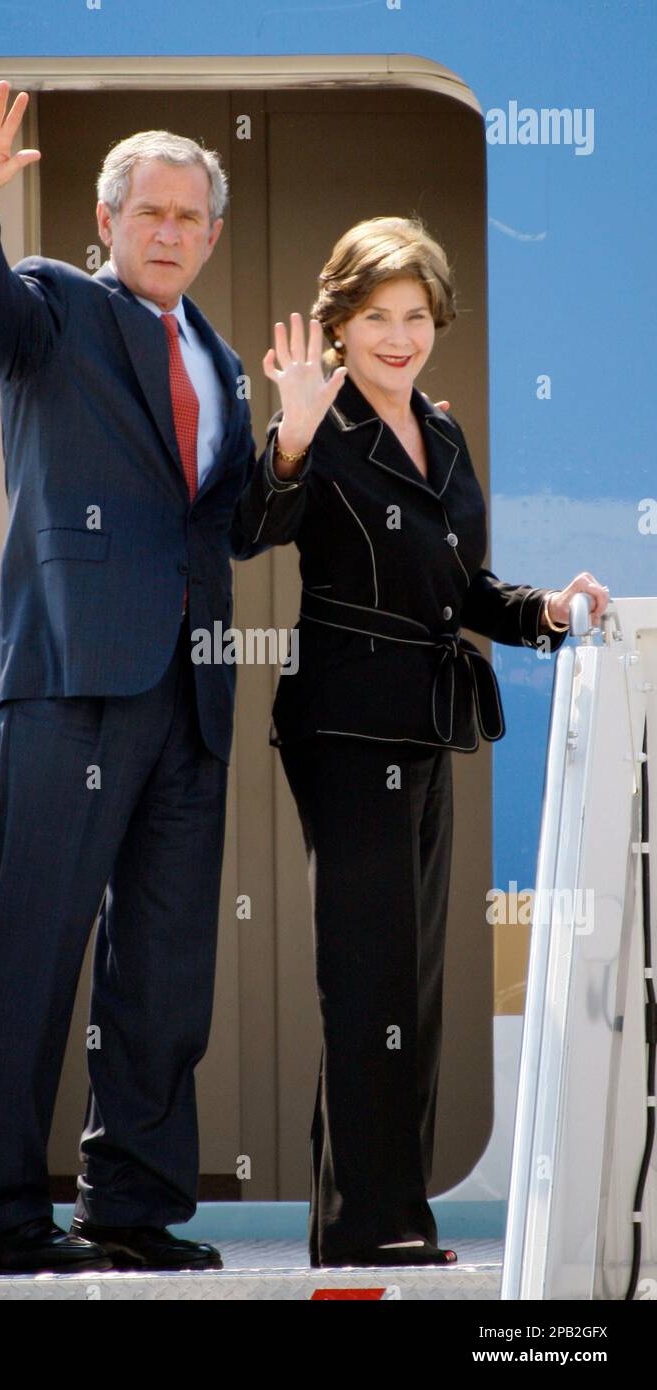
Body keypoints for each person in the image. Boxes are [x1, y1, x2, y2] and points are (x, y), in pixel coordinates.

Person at [0, 81, 340, 1275]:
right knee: (36, 949)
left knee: (163, 966)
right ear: (107, 221)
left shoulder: (220, 364)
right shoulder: (55, 309)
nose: (168, 231)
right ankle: (5, 1221)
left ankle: (134, 1206)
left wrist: (291, 438)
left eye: (187, 216)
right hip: (74, 680)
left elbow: (231, 527)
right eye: (147, 211)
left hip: (190, 694)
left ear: (211, 234)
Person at [233, 215, 610, 1269]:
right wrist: (294, 435)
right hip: (346, 727)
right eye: (373, 319)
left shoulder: (440, 435)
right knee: (367, 979)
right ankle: (371, 1222)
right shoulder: (319, 420)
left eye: (413, 317)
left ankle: (374, 1217)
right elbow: (251, 525)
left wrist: (546, 607)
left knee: (411, 979)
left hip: (426, 725)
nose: (396, 338)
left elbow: (466, 590)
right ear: (339, 325)